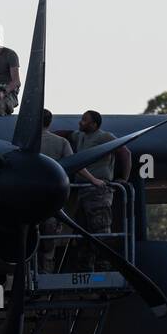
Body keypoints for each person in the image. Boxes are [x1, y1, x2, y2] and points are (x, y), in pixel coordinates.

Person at [68, 110, 117, 270]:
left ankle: (103, 267)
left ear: (94, 124)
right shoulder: (79, 136)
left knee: (100, 229)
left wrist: (123, 177)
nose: (80, 122)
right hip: (83, 192)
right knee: (82, 232)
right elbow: (68, 134)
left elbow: (125, 152)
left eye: (84, 120)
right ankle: (86, 269)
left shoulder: (105, 137)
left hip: (98, 192)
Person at [38, 110, 73, 273]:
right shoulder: (62, 143)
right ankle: (47, 271)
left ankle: (30, 275)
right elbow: (72, 165)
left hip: (31, 200)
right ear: (50, 123)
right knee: (49, 241)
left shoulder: (23, 143)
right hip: (54, 201)